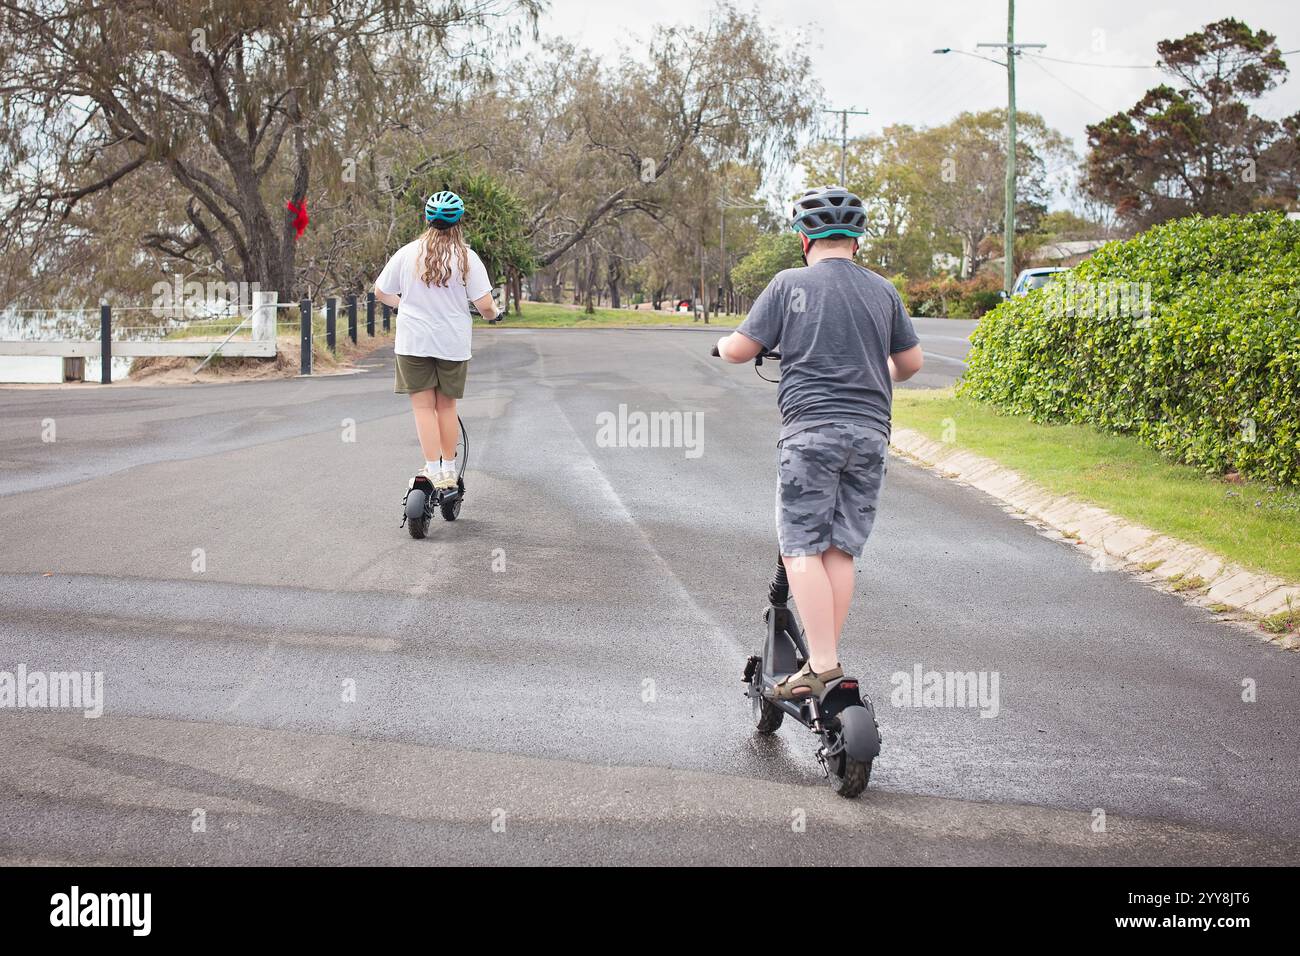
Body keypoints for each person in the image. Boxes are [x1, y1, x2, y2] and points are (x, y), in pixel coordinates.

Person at [714, 185, 924, 700]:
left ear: (804, 238)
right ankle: (826, 657)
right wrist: (879, 367)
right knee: (840, 549)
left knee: (799, 547)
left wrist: (720, 346)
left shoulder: (790, 284)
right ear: (857, 241)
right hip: (871, 434)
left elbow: (742, 350)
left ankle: (824, 664)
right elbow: (910, 364)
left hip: (812, 432)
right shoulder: (883, 290)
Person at [374, 191, 499, 490]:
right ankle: (449, 471)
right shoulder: (468, 257)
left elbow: (380, 292)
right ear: (459, 222)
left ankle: (431, 469)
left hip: (413, 341)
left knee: (422, 408)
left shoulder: (407, 253)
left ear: (427, 219)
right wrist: (494, 314)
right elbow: (484, 305)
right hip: (451, 343)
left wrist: (402, 305)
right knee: (446, 407)